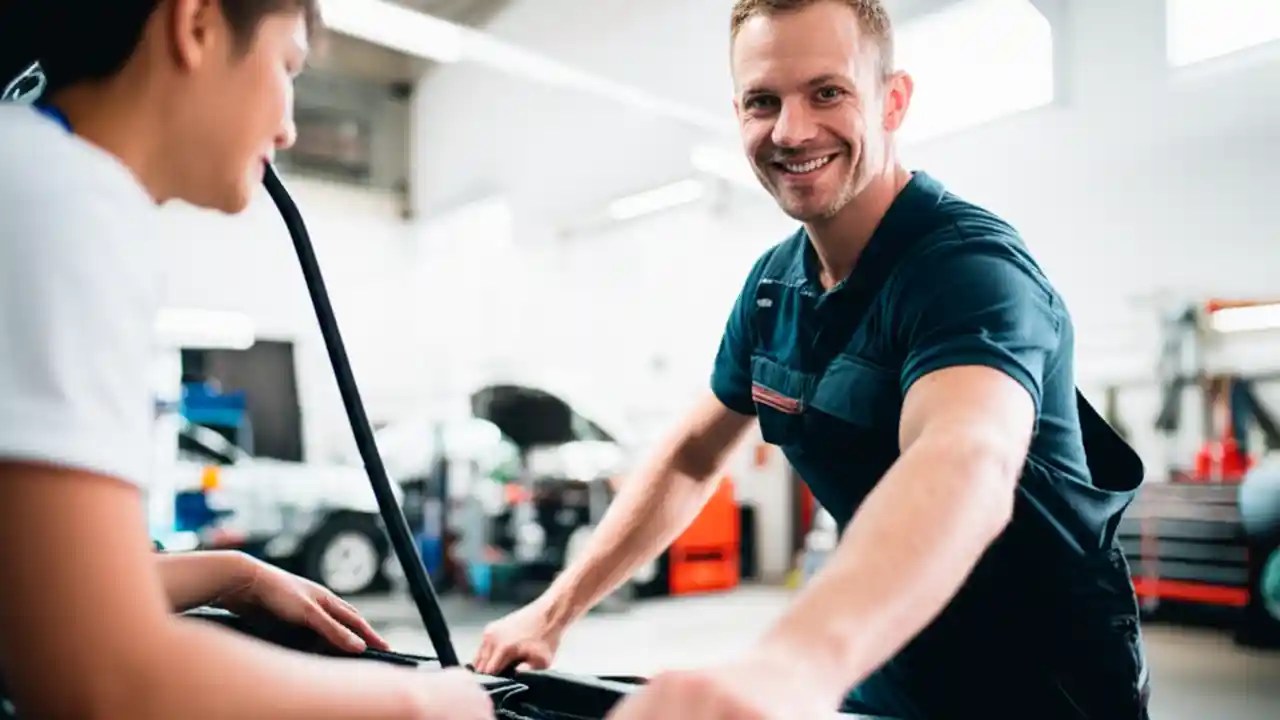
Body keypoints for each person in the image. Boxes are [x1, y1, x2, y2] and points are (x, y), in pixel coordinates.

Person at [473, 1, 1151, 718]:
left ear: (893, 101)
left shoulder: (969, 271)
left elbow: (965, 461)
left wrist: (787, 665)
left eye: (827, 92)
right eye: (764, 102)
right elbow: (691, 457)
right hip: (888, 669)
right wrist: (552, 610)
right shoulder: (775, 287)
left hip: (1044, 687)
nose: (791, 131)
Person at [0, 2, 492, 718]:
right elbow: (99, 677)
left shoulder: (26, 167)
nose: (290, 125)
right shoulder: (64, 201)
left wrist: (229, 573)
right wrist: (425, 705)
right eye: (287, 65)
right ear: (195, 25)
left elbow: (33, 594)